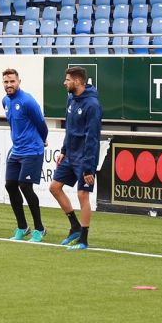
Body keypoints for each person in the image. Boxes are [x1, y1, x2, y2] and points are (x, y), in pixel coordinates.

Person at [50, 66, 101, 251]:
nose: (65, 83)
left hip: (85, 158)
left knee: (82, 195)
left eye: (68, 79)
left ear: (78, 81)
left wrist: (89, 167)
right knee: (54, 188)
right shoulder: (71, 98)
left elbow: (92, 138)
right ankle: (74, 227)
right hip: (70, 154)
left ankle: (84, 239)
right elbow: (69, 127)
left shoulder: (92, 105)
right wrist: (64, 149)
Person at [1, 68, 49, 241]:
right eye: (6, 82)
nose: (9, 85)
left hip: (32, 150)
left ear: (19, 81)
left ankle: (40, 229)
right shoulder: (5, 101)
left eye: (12, 81)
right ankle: (22, 227)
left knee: (25, 185)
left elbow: (42, 124)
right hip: (16, 150)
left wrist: (42, 140)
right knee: (10, 185)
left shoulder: (28, 101)